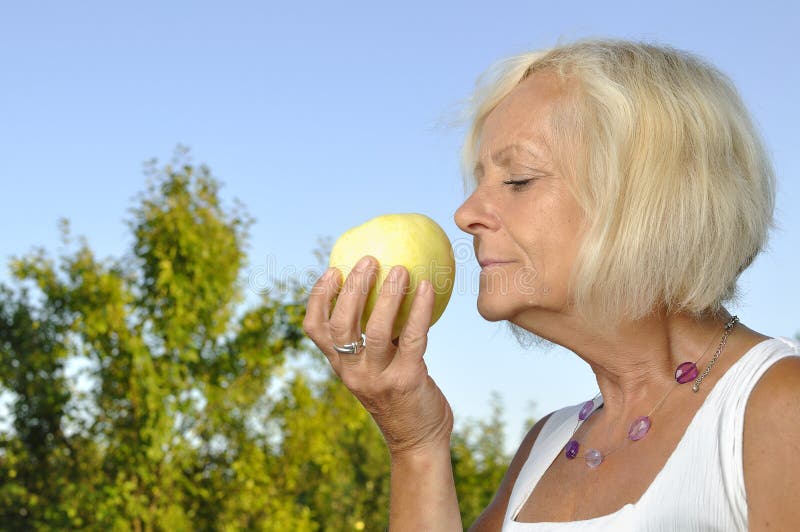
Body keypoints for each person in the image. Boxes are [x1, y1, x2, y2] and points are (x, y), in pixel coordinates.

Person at [303, 38, 800, 531]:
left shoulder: (780, 406)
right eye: (477, 182)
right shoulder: (547, 446)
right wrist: (415, 445)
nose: (464, 215)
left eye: (517, 179)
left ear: (646, 200)